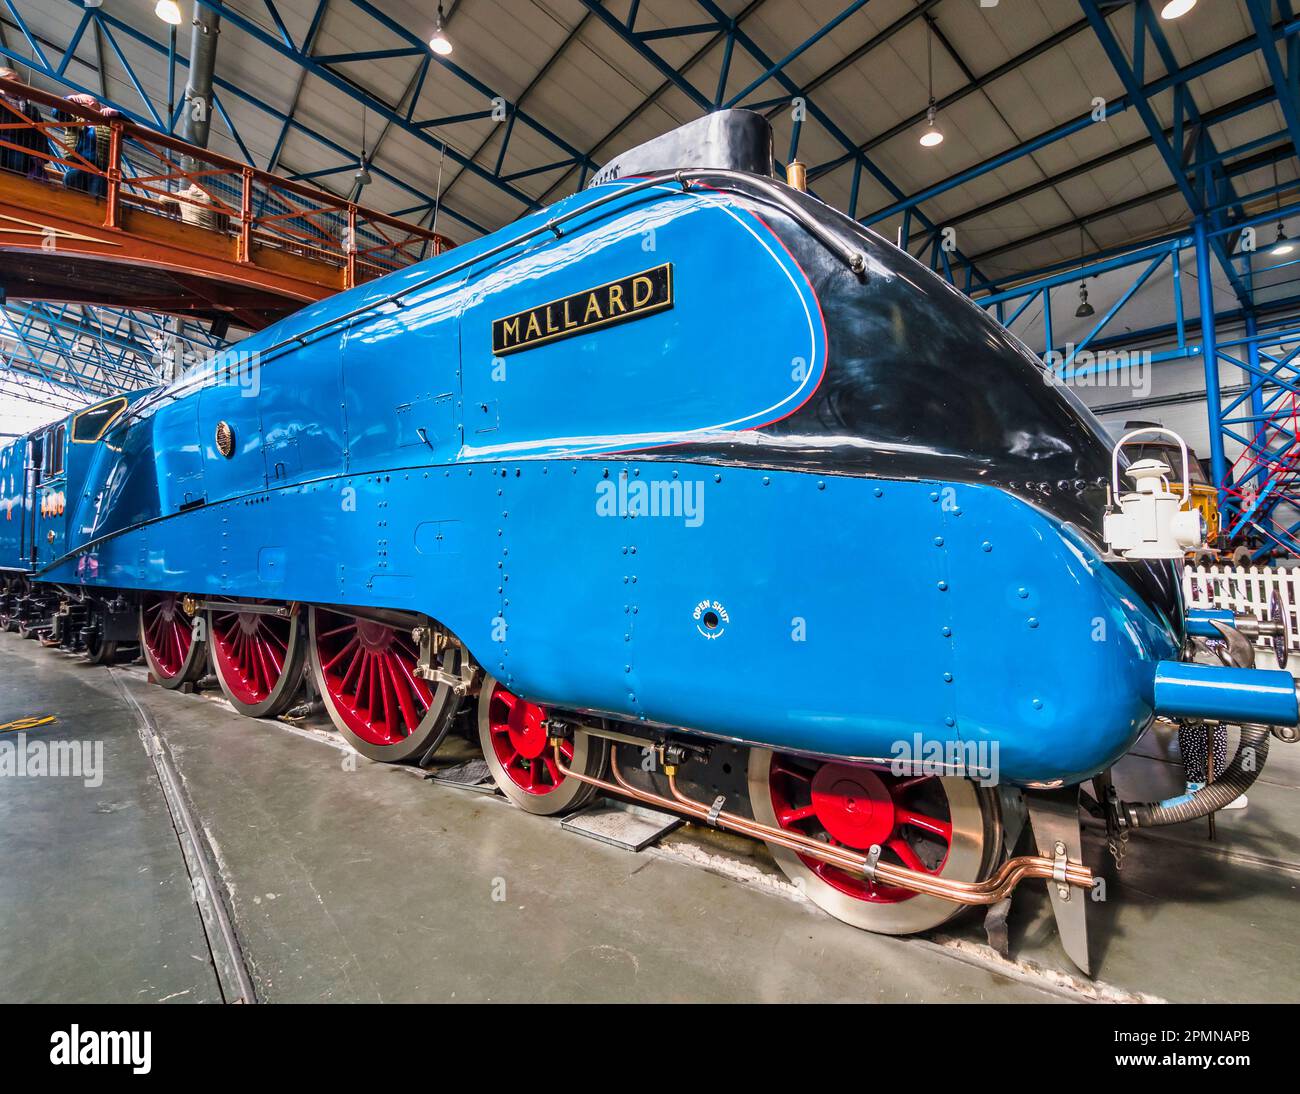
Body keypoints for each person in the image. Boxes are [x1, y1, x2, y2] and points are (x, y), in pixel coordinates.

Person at [52, 91, 117, 197]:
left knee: (97, 200)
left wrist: (117, 114)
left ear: (99, 106)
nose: (90, 104)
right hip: (76, 167)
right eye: (86, 101)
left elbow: (130, 131)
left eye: (93, 102)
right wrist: (69, 98)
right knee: (72, 197)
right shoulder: (73, 120)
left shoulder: (107, 125)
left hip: (99, 171)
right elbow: (56, 112)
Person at [0, 67, 49, 180]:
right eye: (13, 81)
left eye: (19, 82)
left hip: (23, 153)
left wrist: (40, 157)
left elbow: (40, 134)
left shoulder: (32, 110)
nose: (18, 86)